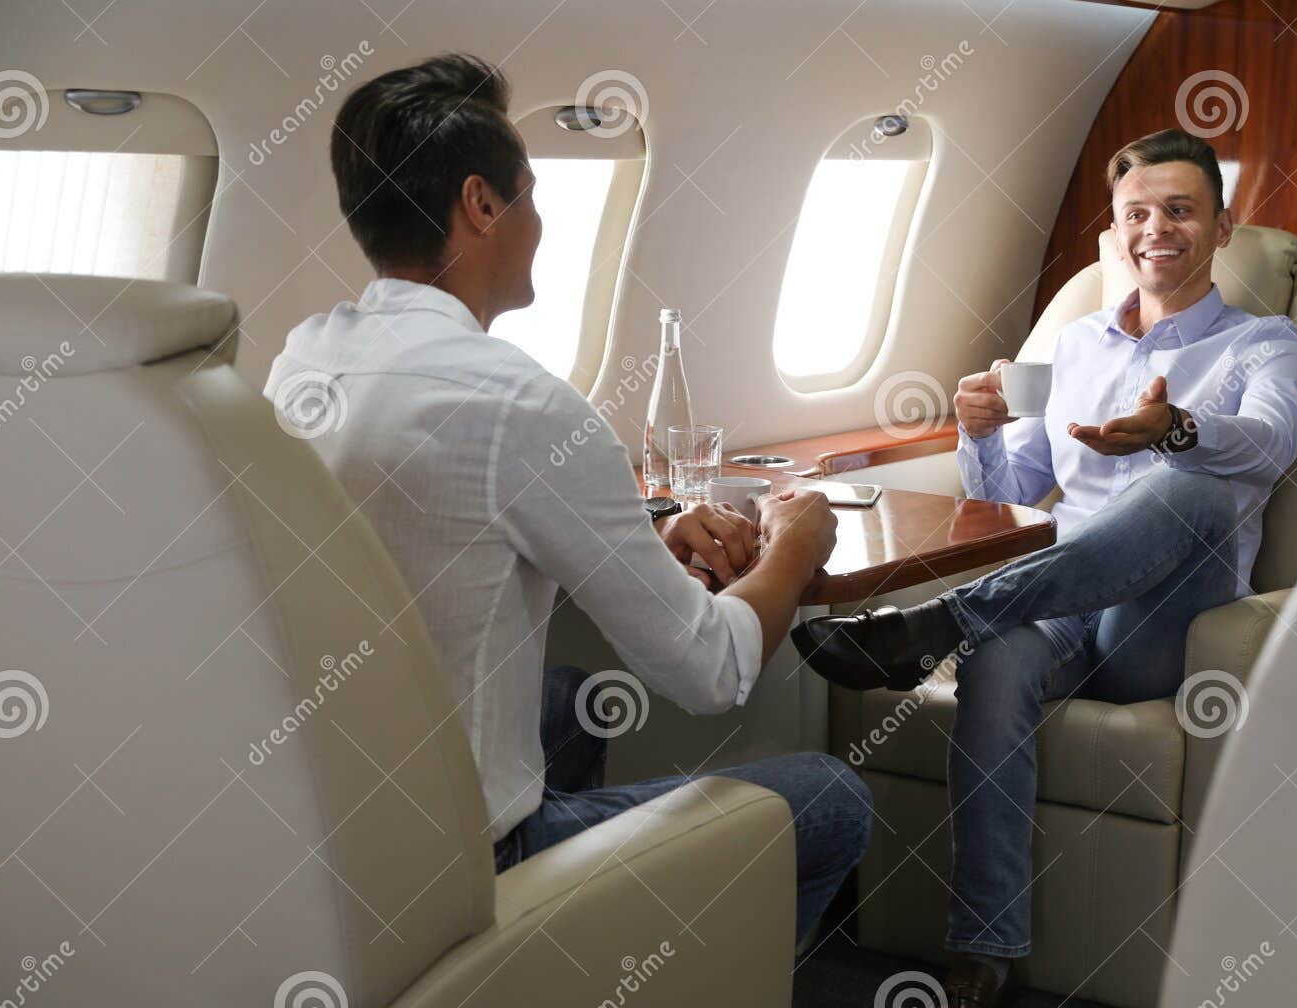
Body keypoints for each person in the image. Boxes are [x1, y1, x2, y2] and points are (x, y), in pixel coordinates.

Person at [266, 53, 871, 948]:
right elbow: (713, 673)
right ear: (480, 204)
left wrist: (633, 539)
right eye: (532, 195)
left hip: (330, 840)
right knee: (833, 799)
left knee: (575, 697)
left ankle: (575, 970)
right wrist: (796, 541)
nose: (540, 223)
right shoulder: (521, 403)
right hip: (461, 867)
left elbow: (431, 543)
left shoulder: (303, 358)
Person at [794, 128, 1297, 1008]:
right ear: (1116, 234)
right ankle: (982, 961)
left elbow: (1269, 446)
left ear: (1223, 226)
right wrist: (977, 429)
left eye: (1182, 210)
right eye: (1138, 213)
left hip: (1166, 627)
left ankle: (936, 623)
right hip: (1058, 603)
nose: (1159, 228)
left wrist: (1176, 428)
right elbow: (1010, 492)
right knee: (998, 651)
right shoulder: (1070, 344)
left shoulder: (1267, 344)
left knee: (1187, 483)